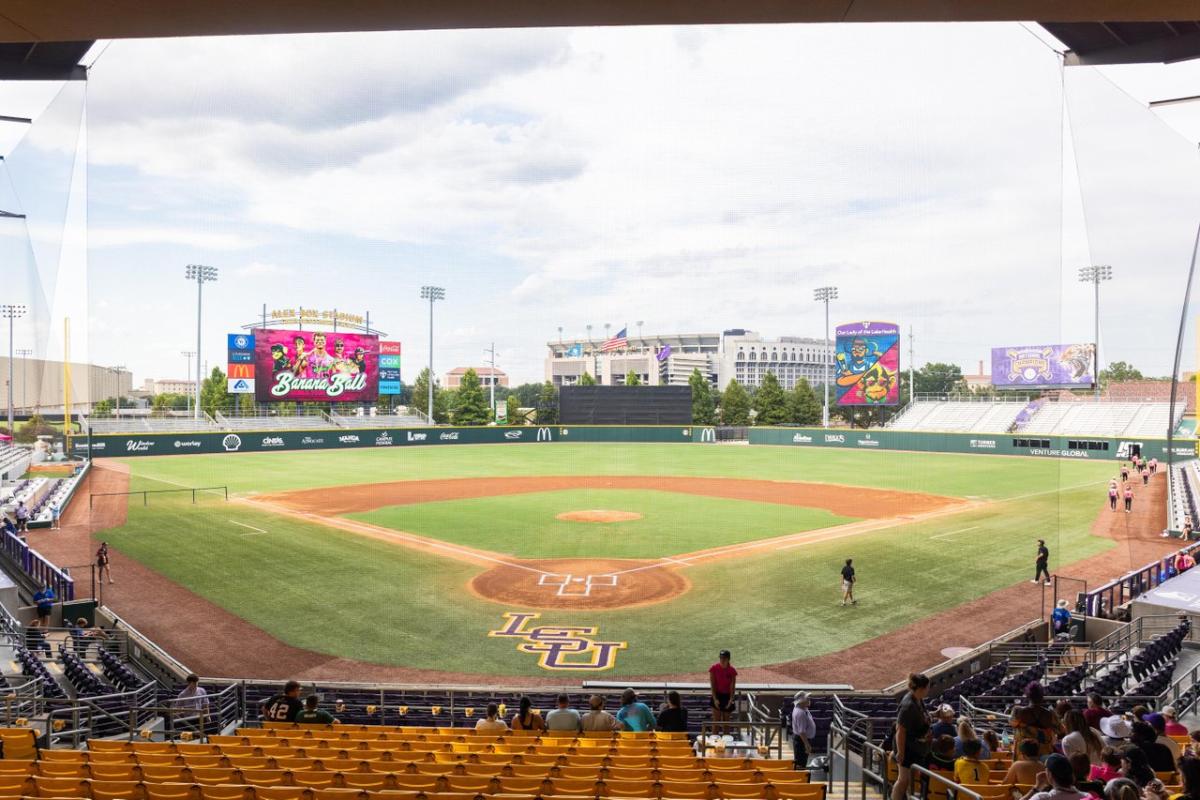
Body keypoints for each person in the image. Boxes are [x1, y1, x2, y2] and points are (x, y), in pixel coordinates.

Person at [890, 673, 931, 800]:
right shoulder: (908, 706)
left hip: (915, 747)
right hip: (906, 748)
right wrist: (900, 753)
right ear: (921, 688)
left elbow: (921, 718)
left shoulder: (918, 699)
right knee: (903, 781)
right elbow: (900, 730)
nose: (929, 689)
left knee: (908, 780)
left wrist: (935, 714)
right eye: (928, 687)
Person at [1011, 682, 1064, 760]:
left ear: (1027, 696)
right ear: (1042, 697)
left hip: (1023, 755)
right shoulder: (1050, 714)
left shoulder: (1017, 712)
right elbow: (1061, 731)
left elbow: (1012, 723)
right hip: (1044, 755)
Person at [1019, 752, 1086, 800]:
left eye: (1046, 768)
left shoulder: (1042, 798)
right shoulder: (1086, 796)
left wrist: (1036, 788)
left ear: (1049, 774)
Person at [709, 650, 738, 731]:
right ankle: (714, 742)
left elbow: (732, 686)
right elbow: (713, 684)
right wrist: (715, 699)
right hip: (717, 694)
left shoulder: (732, 670)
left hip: (727, 696)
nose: (722, 660)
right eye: (721, 658)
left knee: (726, 722)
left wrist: (731, 699)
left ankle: (726, 742)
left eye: (724, 658)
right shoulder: (714, 668)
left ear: (728, 659)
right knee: (716, 721)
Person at [791, 692, 816, 769]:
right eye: (807, 698)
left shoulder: (804, 709)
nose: (809, 700)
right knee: (800, 765)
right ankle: (800, 779)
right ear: (801, 701)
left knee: (802, 763)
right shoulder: (800, 713)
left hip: (802, 740)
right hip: (801, 741)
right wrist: (807, 744)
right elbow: (801, 731)